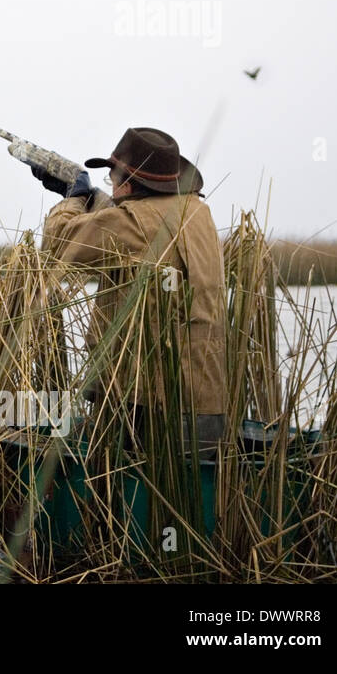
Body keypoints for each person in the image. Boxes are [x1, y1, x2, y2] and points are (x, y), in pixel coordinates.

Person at [33, 127, 229, 457]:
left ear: (131, 182)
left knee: (128, 501)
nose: (110, 184)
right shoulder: (194, 212)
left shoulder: (140, 223)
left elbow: (61, 242)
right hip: (204, 398)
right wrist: (90, 196)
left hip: (149, 406)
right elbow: (123, 224)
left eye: (112, 177)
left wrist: (73, 199)